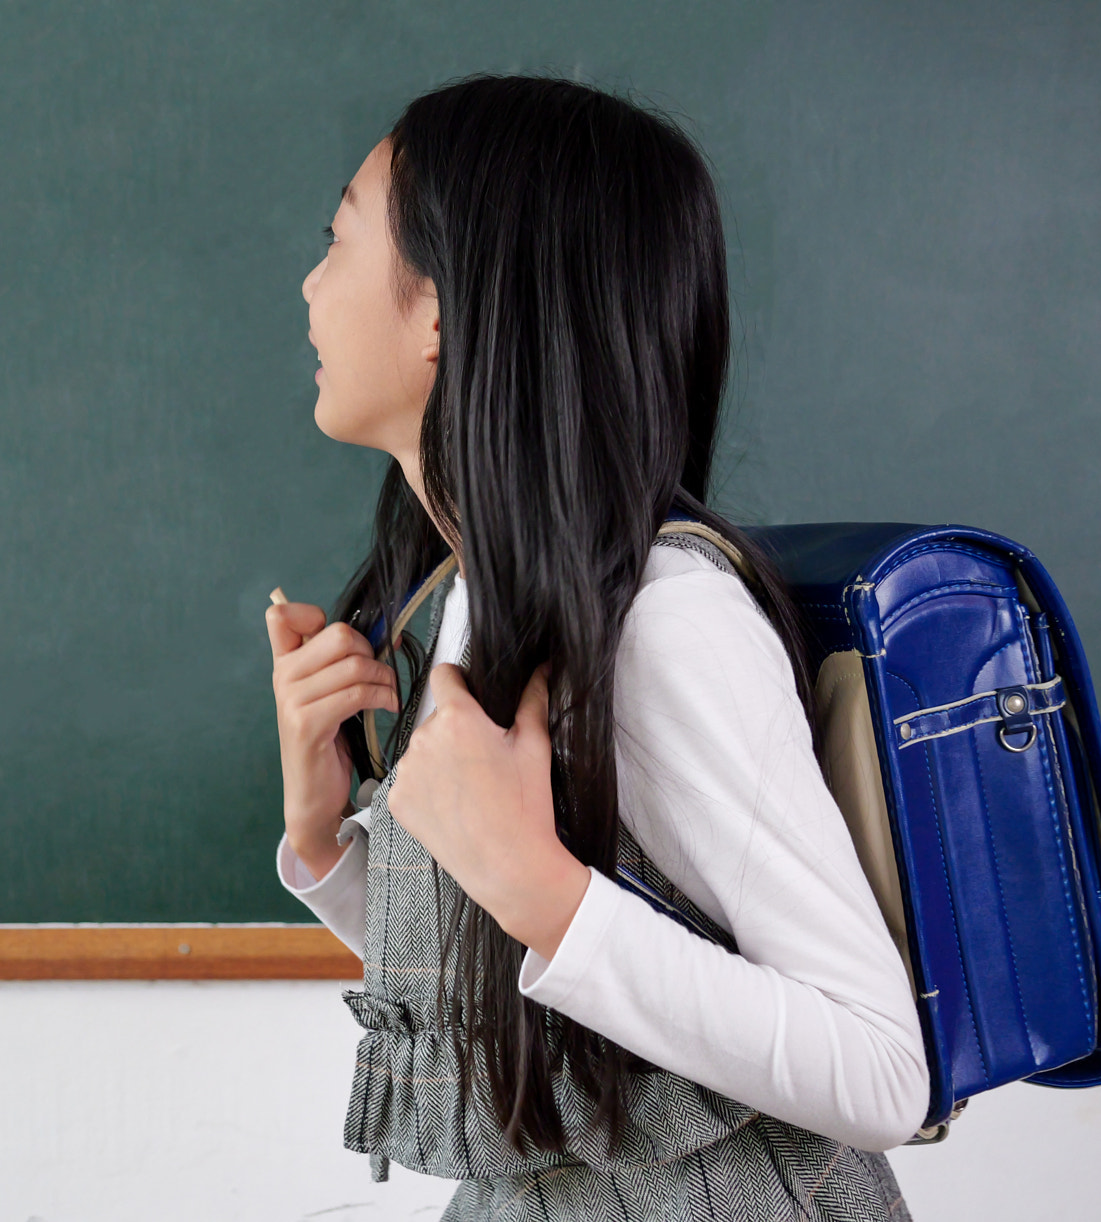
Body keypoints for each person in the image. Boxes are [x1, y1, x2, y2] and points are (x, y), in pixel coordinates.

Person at [263, 75, 930, 1219]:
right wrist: (324, 836)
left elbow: (878, 1067)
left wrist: (546, 891)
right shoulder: (481, 592)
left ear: (440, 312)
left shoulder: (663, 620)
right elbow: (536, 1010)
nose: (309, 284)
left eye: (338, 241)